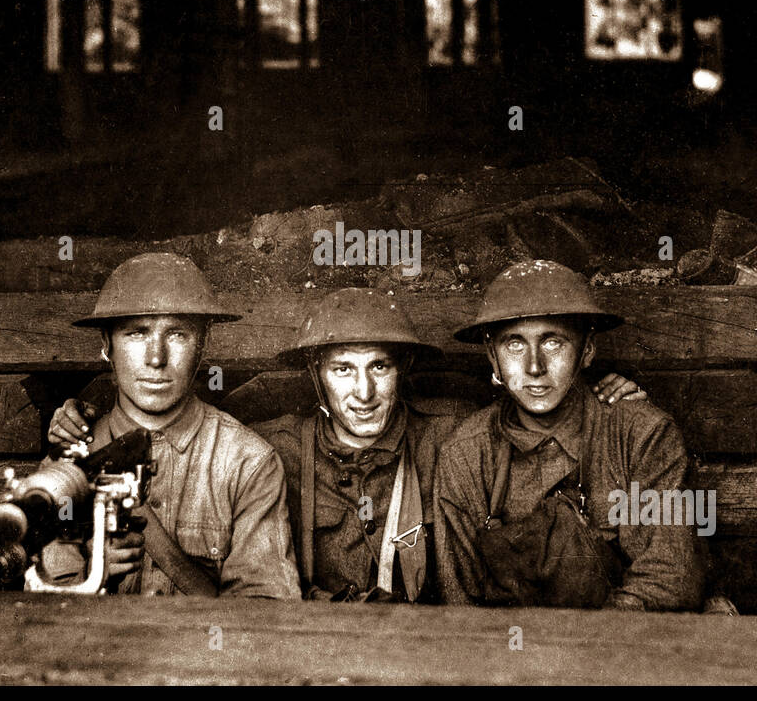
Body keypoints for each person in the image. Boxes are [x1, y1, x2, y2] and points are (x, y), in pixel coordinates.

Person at [51, 286, 647, 602]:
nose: (362, 393)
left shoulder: (455, 441)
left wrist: (601, 399)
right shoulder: (272, 450)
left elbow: (527, 427)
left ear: (404, 372)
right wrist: (75, 417)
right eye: (342, 370)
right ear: (315, 378)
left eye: (380, 368)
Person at [434, 260, 707, 611]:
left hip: (626, 649)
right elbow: (460, 601)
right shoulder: (467, 454)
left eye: (553, 343)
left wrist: (581, 645)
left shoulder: (641, 434)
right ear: (492, 356)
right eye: (515, 345)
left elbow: (671, 576)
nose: (534, 367)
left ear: (587, 350)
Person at [38, 252, 300, 598]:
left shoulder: (248, 463)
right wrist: (91, 571)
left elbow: (264, 617)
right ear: (106, 345)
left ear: (202, 345)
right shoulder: (67, 464)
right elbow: (39, 613)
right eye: (137, 334)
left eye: (177, 334)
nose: (156, 357)